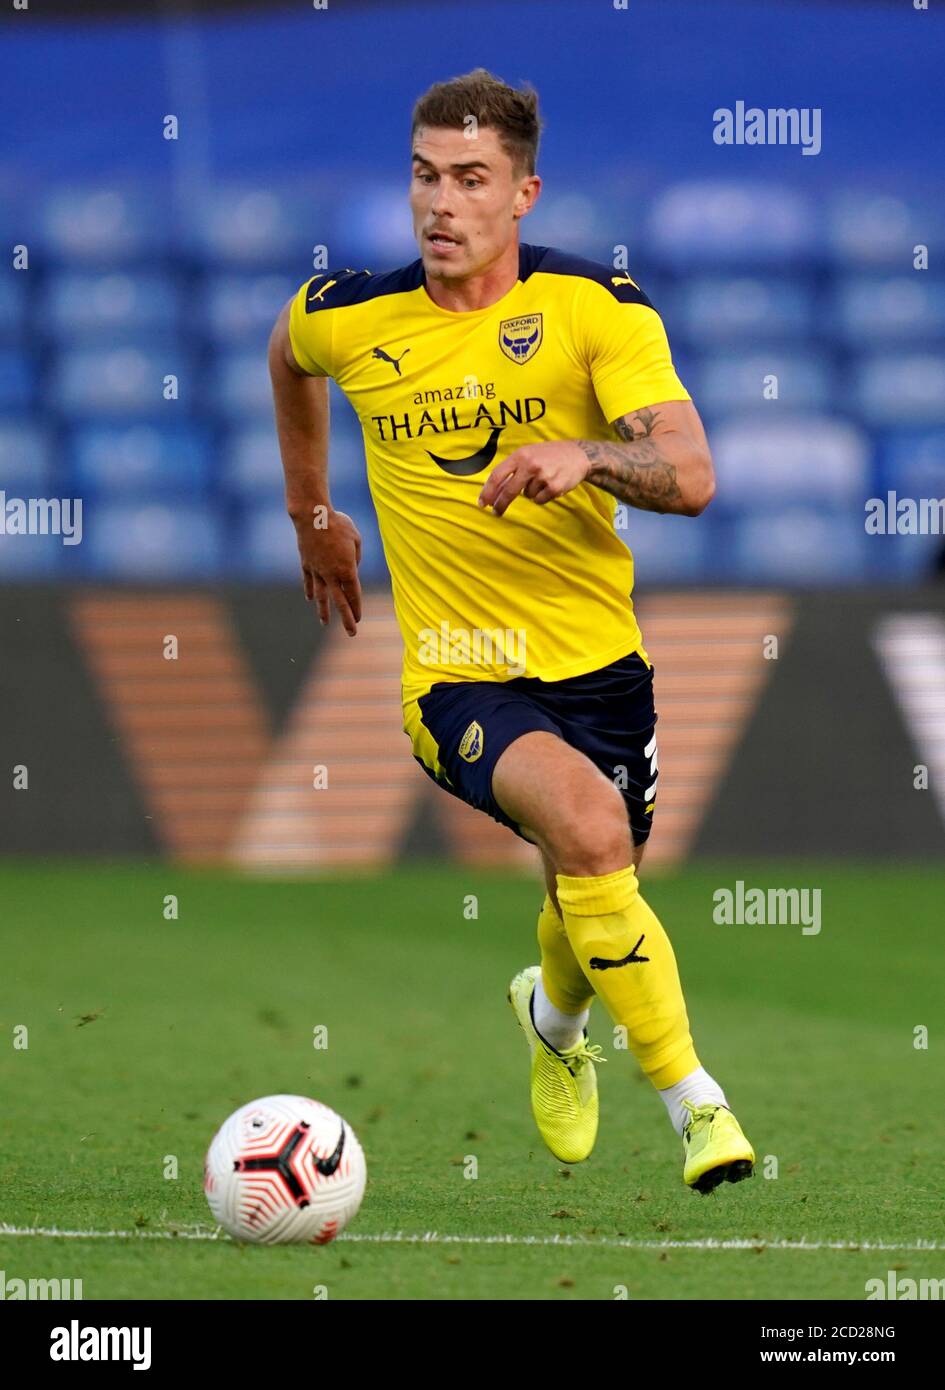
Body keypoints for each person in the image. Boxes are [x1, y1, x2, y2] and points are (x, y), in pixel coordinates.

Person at [269, 68, 754, 1193]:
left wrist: (586, 455)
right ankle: (698, 1103)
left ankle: (549, 1016)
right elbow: (285, 362)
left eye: (472, 180)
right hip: (456, 680)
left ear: (525, 192)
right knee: (588, 833)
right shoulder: (347, 314)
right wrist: (314, 514)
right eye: (425, 177)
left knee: (594, 878)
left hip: (603, 672)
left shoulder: (596, 309)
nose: (442, 204)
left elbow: (691, 475)